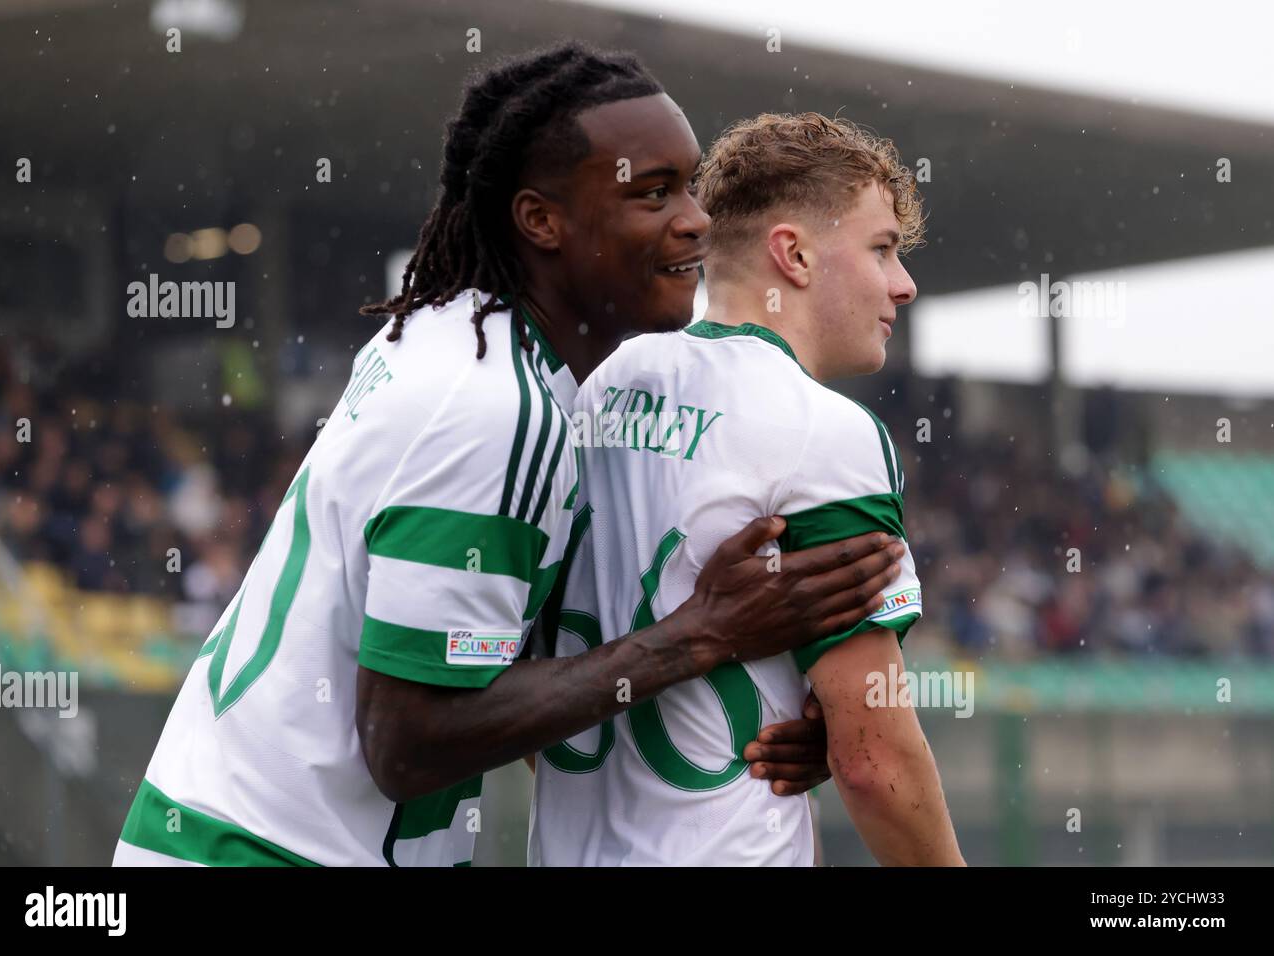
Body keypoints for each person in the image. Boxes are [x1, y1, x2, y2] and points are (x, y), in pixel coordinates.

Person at [113, 48, 901, 867]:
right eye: (652, 192)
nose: (696, 219)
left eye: (692, 184)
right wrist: (702, 636)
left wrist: (745, 712)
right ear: (541, 220)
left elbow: (477, 650)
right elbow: (409, 741)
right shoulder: (496, 410)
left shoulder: (441, 332)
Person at [531, 112, 965, 866]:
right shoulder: (822, 431)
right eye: (883, 249)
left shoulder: (600, 389)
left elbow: (534, 699)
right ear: (792, 254)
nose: (904, 285)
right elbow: (873, 764)